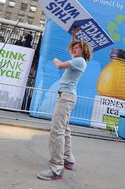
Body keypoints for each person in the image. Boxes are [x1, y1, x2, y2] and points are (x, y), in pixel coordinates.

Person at [37, 28, 92, 181]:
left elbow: (60, 65)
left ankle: (56, 169)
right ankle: (68, 159)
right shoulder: (77, 60)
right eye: (74, 47)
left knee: (57, 131)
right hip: (66, 97)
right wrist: (74, 36)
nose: (74, 49)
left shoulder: (80, 61)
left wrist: (55, 60)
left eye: (77, 47)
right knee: (65, 129)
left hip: (66, 98)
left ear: (84, 49)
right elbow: (71, 51)